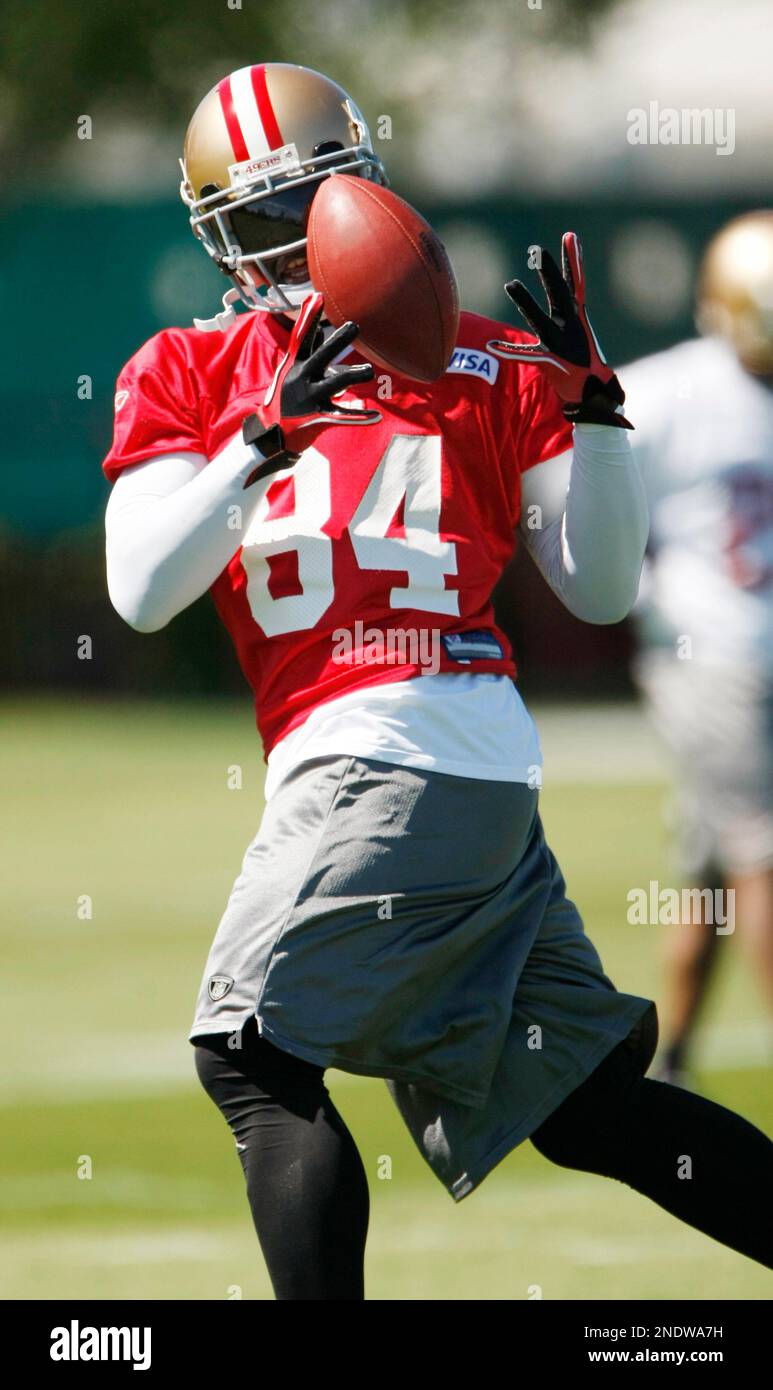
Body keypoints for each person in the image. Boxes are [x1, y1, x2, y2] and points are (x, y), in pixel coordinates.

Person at [102, 64, 773, 1298]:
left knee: (251, 1056)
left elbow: (600, 586)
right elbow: (140, 587)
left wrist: (596, 416)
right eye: (266, 221)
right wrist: (261, 441)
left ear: (362, 192)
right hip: (468, 775)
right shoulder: (211, 370)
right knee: (585, 1105)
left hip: (379, 749)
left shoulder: (471, 360)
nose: (294, 247)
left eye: (310, 208)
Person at [623, 211, 773, 1085]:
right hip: (709, 658)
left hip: (743, 651)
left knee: (712, 866)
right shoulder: (667, 392)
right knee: (763, 854)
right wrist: (645, 598)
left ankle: (668, 1067)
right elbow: (573, 496)